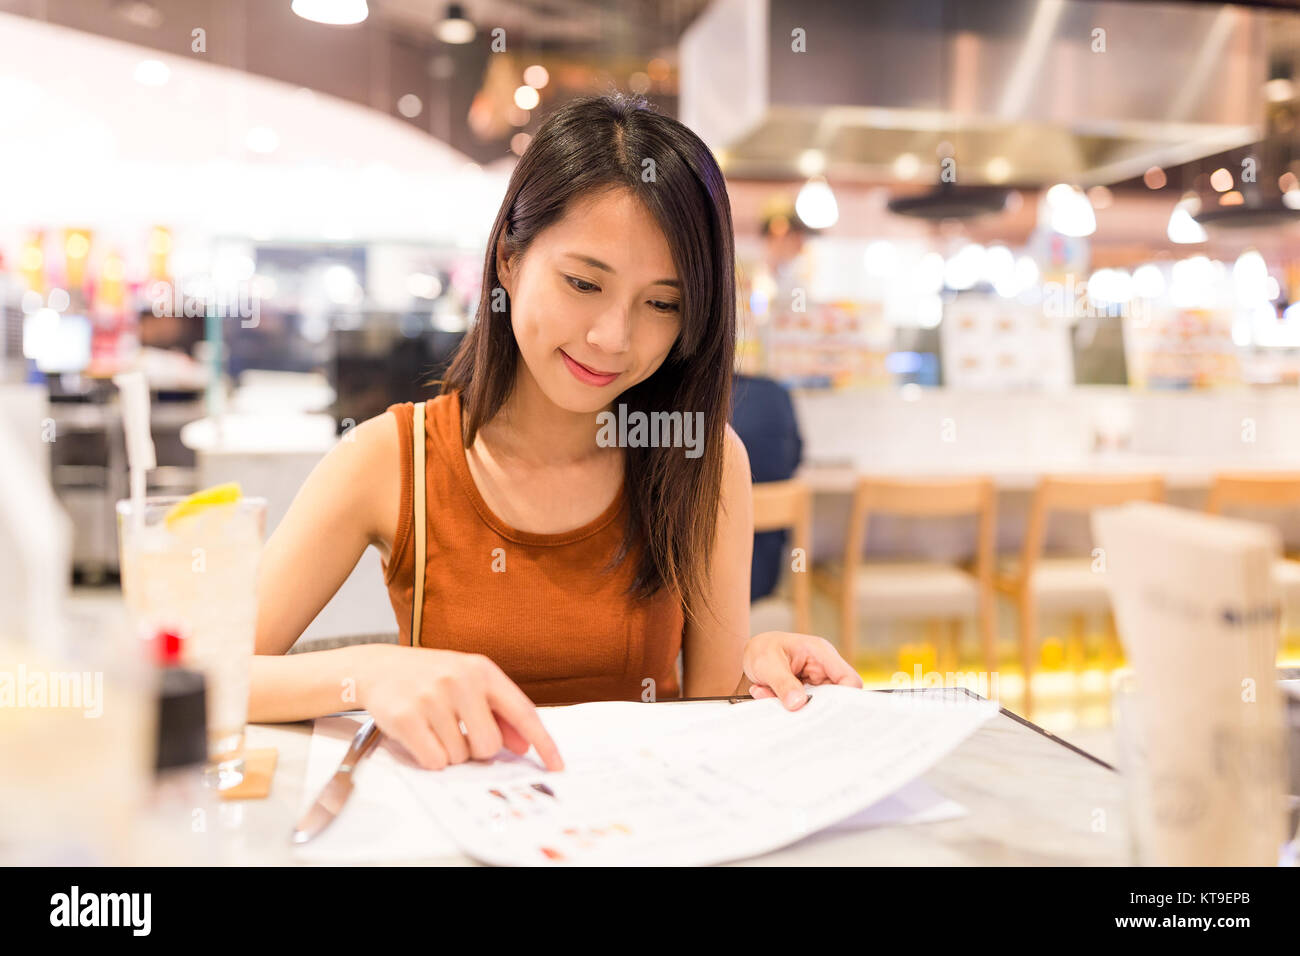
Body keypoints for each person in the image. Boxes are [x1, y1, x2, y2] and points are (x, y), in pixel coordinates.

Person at [248, 92, 860, 772]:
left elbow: (712, 711)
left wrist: (760, 674)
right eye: (582, 283)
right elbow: (204, 673)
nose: (613, 338)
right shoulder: (392, 459)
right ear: (510, 259)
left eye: (662, 303)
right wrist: (370, 672)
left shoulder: (705, 460)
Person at [730, 372, 803, 601]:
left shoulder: (692, 396)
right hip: (765, 576)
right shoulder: (776, 394)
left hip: (698, 583)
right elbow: (795, 459)